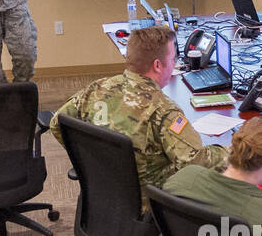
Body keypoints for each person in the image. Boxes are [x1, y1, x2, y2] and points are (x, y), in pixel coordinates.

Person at [50, 25, 226, 209]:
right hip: (149, 205)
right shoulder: (164, 111)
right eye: (173, 58)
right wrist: (236, 150)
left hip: (101, 195)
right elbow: (194, 161)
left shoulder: (97, 87)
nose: (175, 63)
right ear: (158, 65)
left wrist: (90, 163)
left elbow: (56, 123)